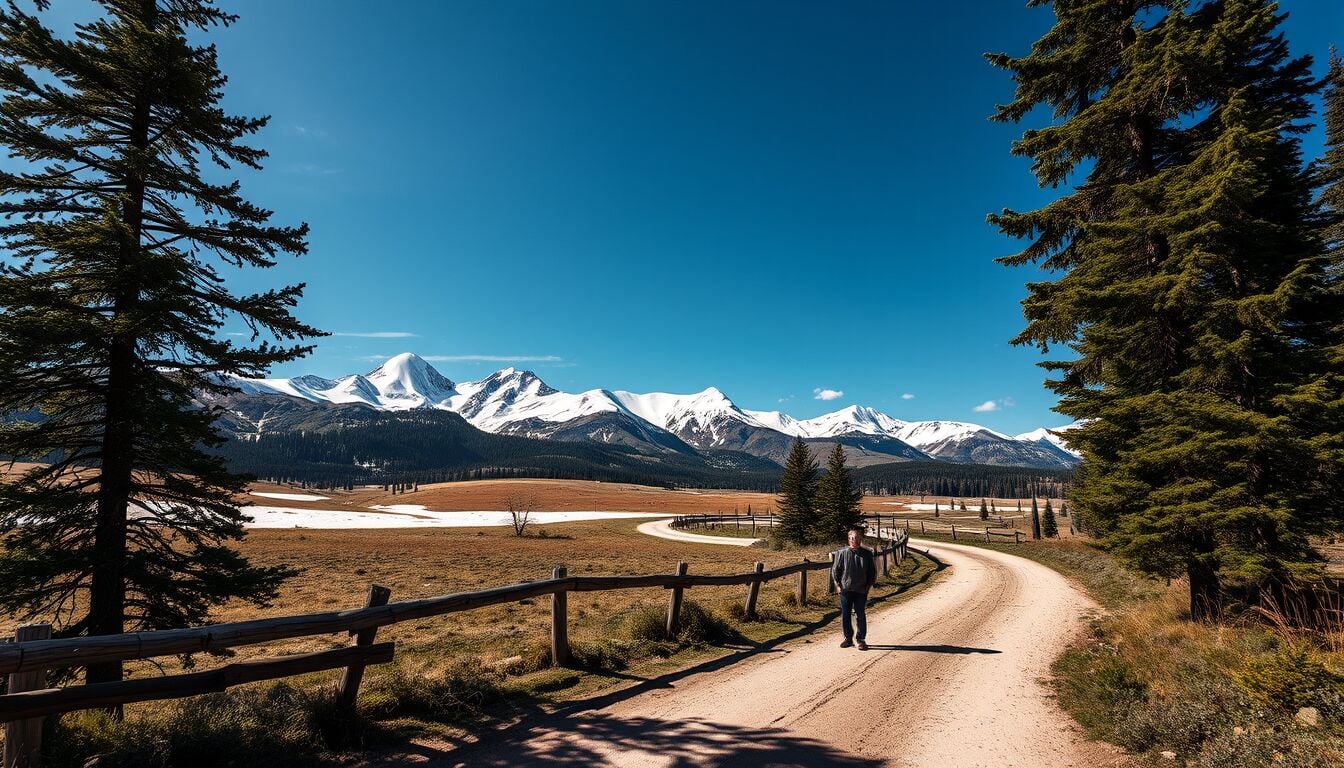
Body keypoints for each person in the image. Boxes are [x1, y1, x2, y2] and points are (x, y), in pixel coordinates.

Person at [832, 524, 877, 650]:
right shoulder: (841, 553)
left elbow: (872, 573)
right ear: (848, 539)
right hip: (845, 590)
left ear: (860, 540)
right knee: (845, 614)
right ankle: (848, 638)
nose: (854, 541)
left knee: (860, 614)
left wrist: (867, 587)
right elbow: (835, 571)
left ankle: (861, 639)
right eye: (852, 538)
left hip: (861, 590)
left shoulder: (867, 554)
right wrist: (837, 585)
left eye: (856, 538)